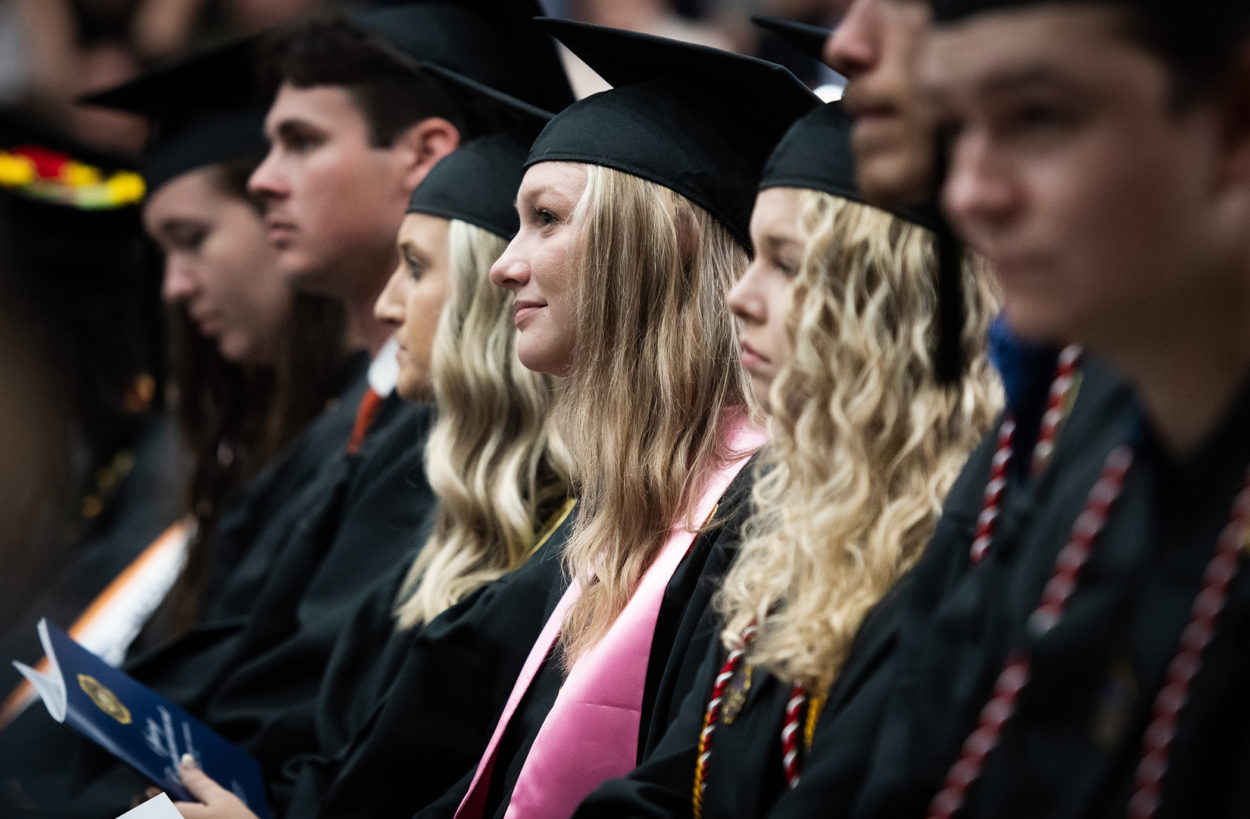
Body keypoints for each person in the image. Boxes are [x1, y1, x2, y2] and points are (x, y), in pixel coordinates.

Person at [773, 0, 1250, 816]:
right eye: (960, 125)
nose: (967, 194)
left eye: (1038, 117)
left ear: (1235, 124)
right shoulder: (1102, 441)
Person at [573, 100, 1001, 817]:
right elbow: (668, 784)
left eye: (787, 263)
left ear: (890, 299)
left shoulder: (973, 546)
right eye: (752, 255)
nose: (740, 295)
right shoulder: (796, 519)